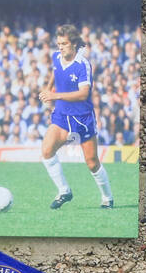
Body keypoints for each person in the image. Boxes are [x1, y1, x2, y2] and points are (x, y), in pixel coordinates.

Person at [37, 24, 114, 210]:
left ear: (73, 44)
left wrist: (54, 95)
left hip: (82, 119)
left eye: (64, 43)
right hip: (62, 116)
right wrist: (48, 87)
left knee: (92, 162)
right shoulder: (57, 57)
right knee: (46, 151)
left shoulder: (82, 65)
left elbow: (83, 94)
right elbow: (55, 72)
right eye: (58, 43)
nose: (60, 47)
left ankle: (107, 198)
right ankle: (64, 191)